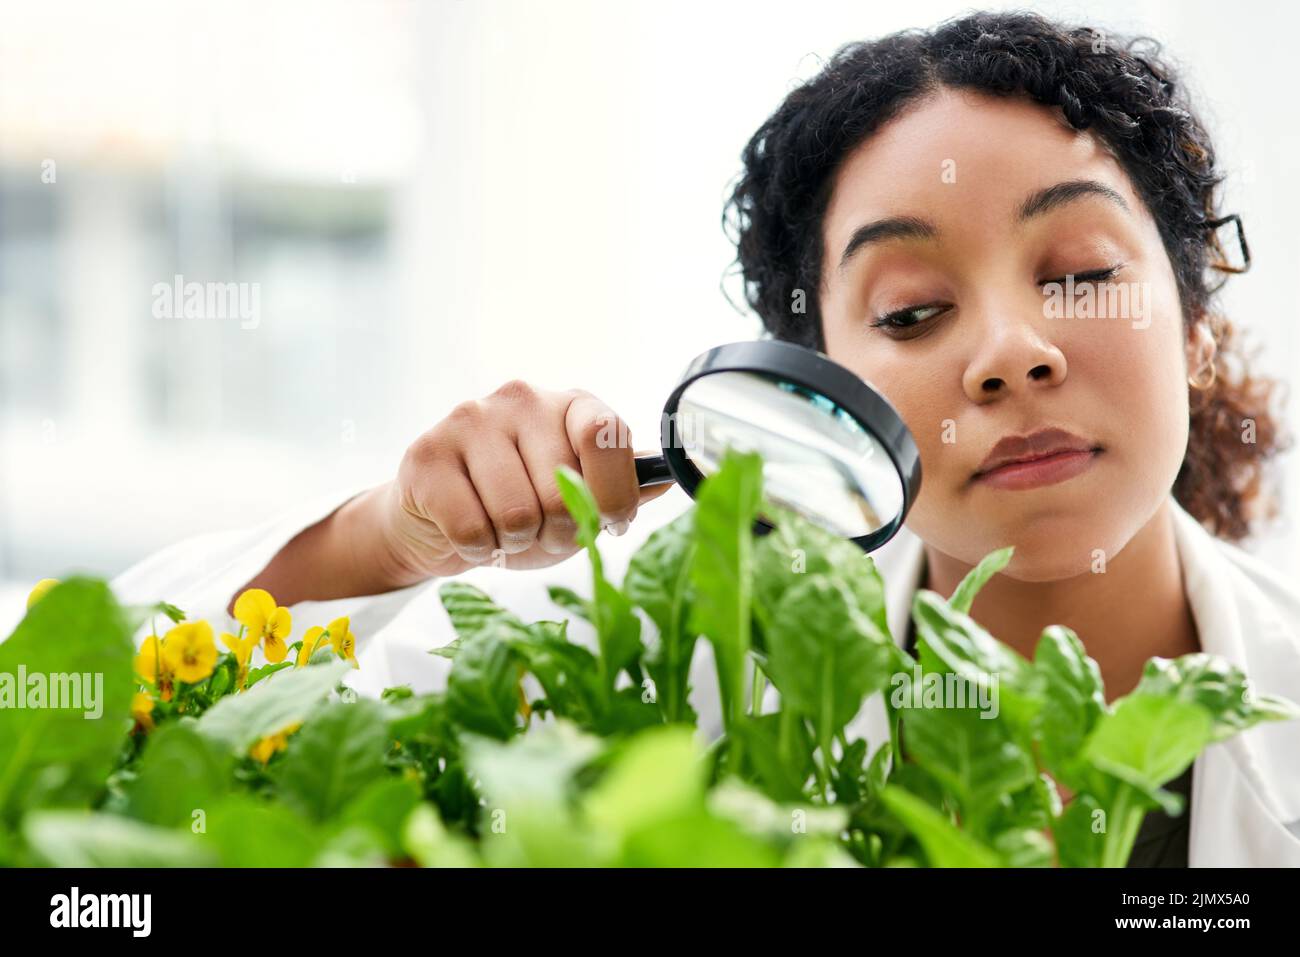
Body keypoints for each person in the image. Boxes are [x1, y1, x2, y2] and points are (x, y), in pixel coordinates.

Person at [112, 10, 1300, 865]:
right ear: (826, 390)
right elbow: (99, 726)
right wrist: (387, 541)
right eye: (909, 312)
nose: (1008, 352)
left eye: (1079, 272)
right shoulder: (670, 675)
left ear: (1195, 327)